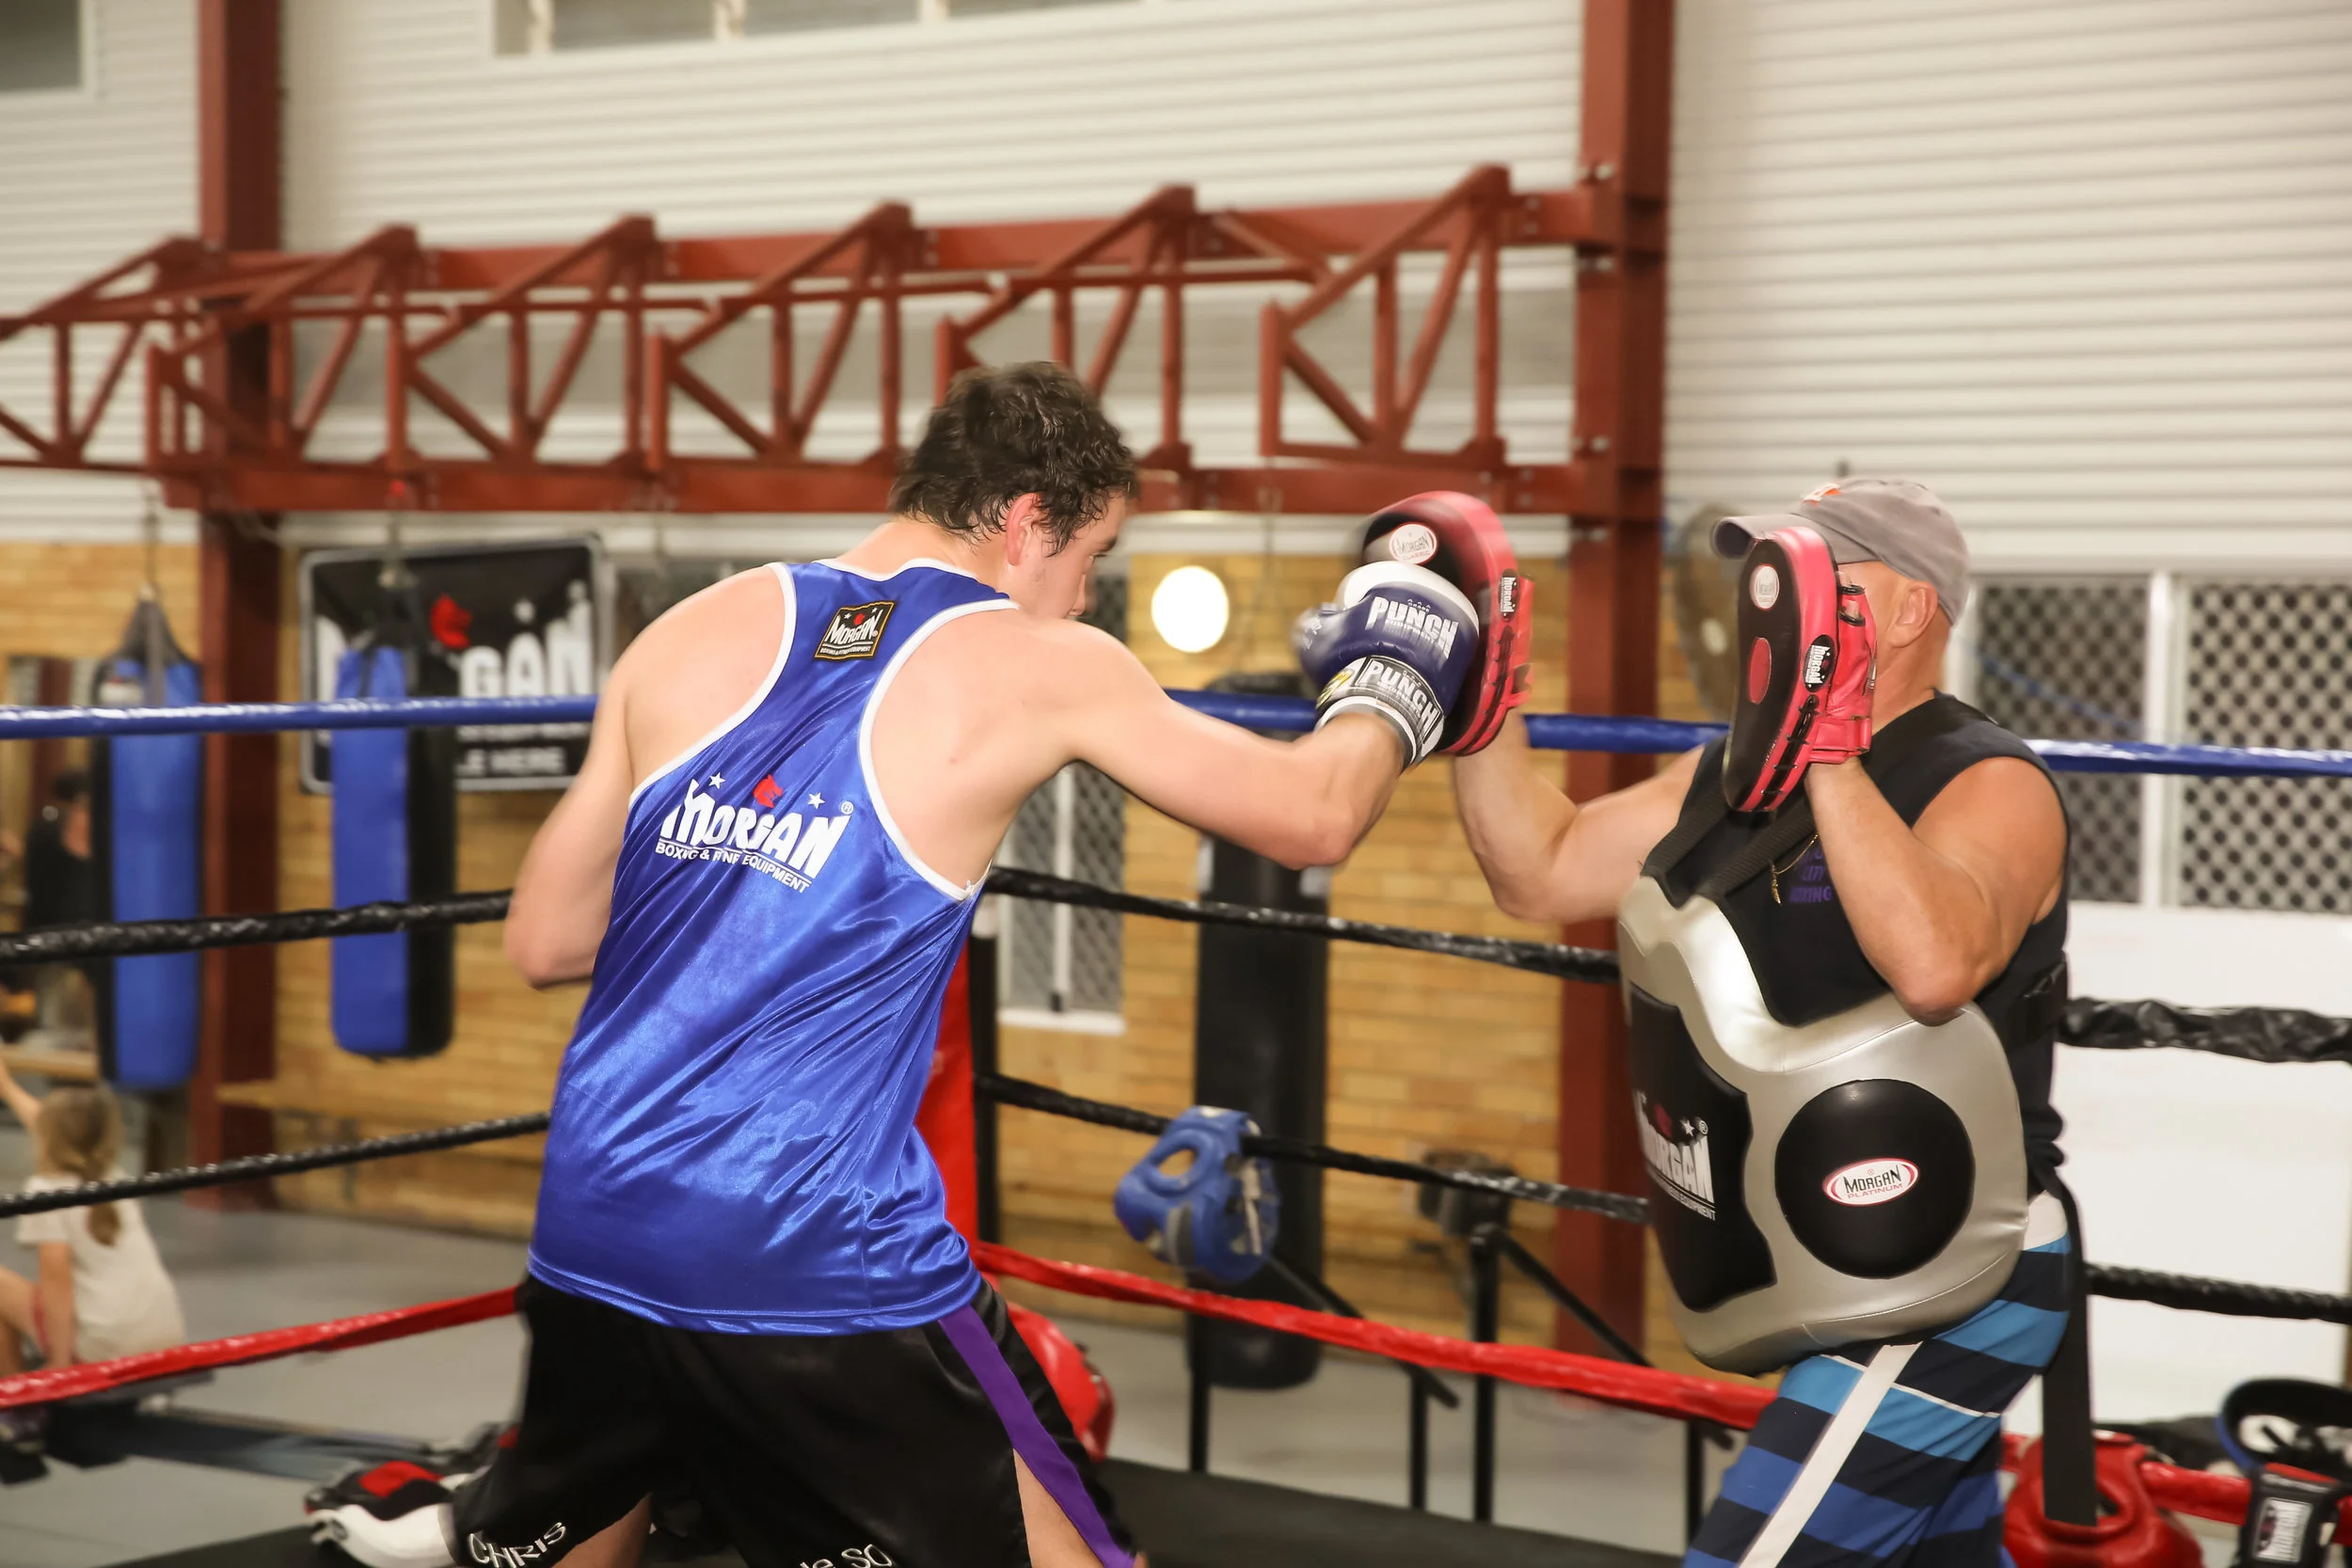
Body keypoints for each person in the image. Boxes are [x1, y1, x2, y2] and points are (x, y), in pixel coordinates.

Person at [314, 361, 1490, 1568]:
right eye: (1091, 560)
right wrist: (1395, 667)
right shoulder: (1038, 662)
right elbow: (1314, 816)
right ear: (1030, 517)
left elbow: (546, 937)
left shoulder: (689, 630)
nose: (1085, 602)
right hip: (814, 1257)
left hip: (597, 1221)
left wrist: (744, 855)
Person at [1454, 479, 2073, 1568]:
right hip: (1819, 1244)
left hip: (1947, 1260)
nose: (1777, 600)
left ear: (1909, 610)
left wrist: (1831, 749)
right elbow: (1538, 871)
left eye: (1829, 575)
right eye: (1775, 573)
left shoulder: (1987, 778)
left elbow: (1936, 966)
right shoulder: (1735, 769)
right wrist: (1477, 707)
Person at [0, 1057, 186, 1446]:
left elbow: (58, 1284)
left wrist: (59, 1367)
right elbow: (60, 1131)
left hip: (105, 1346)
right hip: (165, 1339)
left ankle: (20, 1408)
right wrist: (8, 1086)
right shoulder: (110, 1173)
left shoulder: (46, 1192)